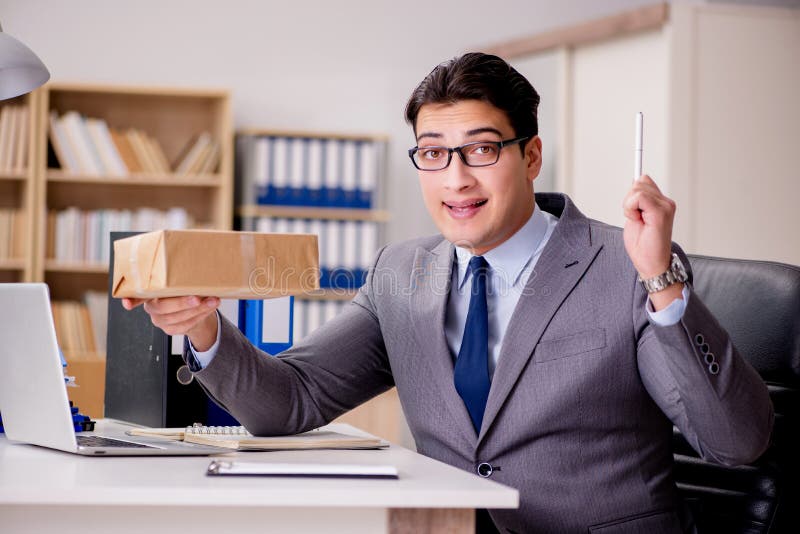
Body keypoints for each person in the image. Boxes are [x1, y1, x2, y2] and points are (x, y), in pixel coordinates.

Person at [123, 53, 773, 533]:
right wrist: (202, 329)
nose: (455, 178)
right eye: (433, 154)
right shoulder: (402, 274)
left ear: (532, 156)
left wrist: (662, 284)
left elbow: (737, 442)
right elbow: (289, 404)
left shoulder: (626, 265)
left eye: (481, 150)